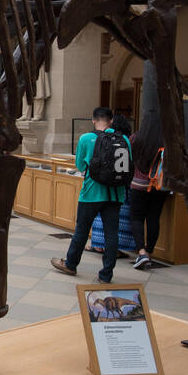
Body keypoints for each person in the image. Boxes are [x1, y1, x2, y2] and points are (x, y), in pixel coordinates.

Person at [51, 106, 131, 283]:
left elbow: (80, 165)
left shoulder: (86, 138)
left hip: (91, 193)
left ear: (93, 120)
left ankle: (71, 264)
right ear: (111, 121)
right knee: (112, 234)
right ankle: (106, 274)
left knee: (81, 230)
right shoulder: (124, 138)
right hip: (116, 195)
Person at [127, 106, 169, 269]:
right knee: (153, 217)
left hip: (139, 183)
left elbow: (128, 160)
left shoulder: (136, 138)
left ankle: (142, 251)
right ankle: (150, 251)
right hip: (160, 185)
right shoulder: (167, 140)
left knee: (136, 217)